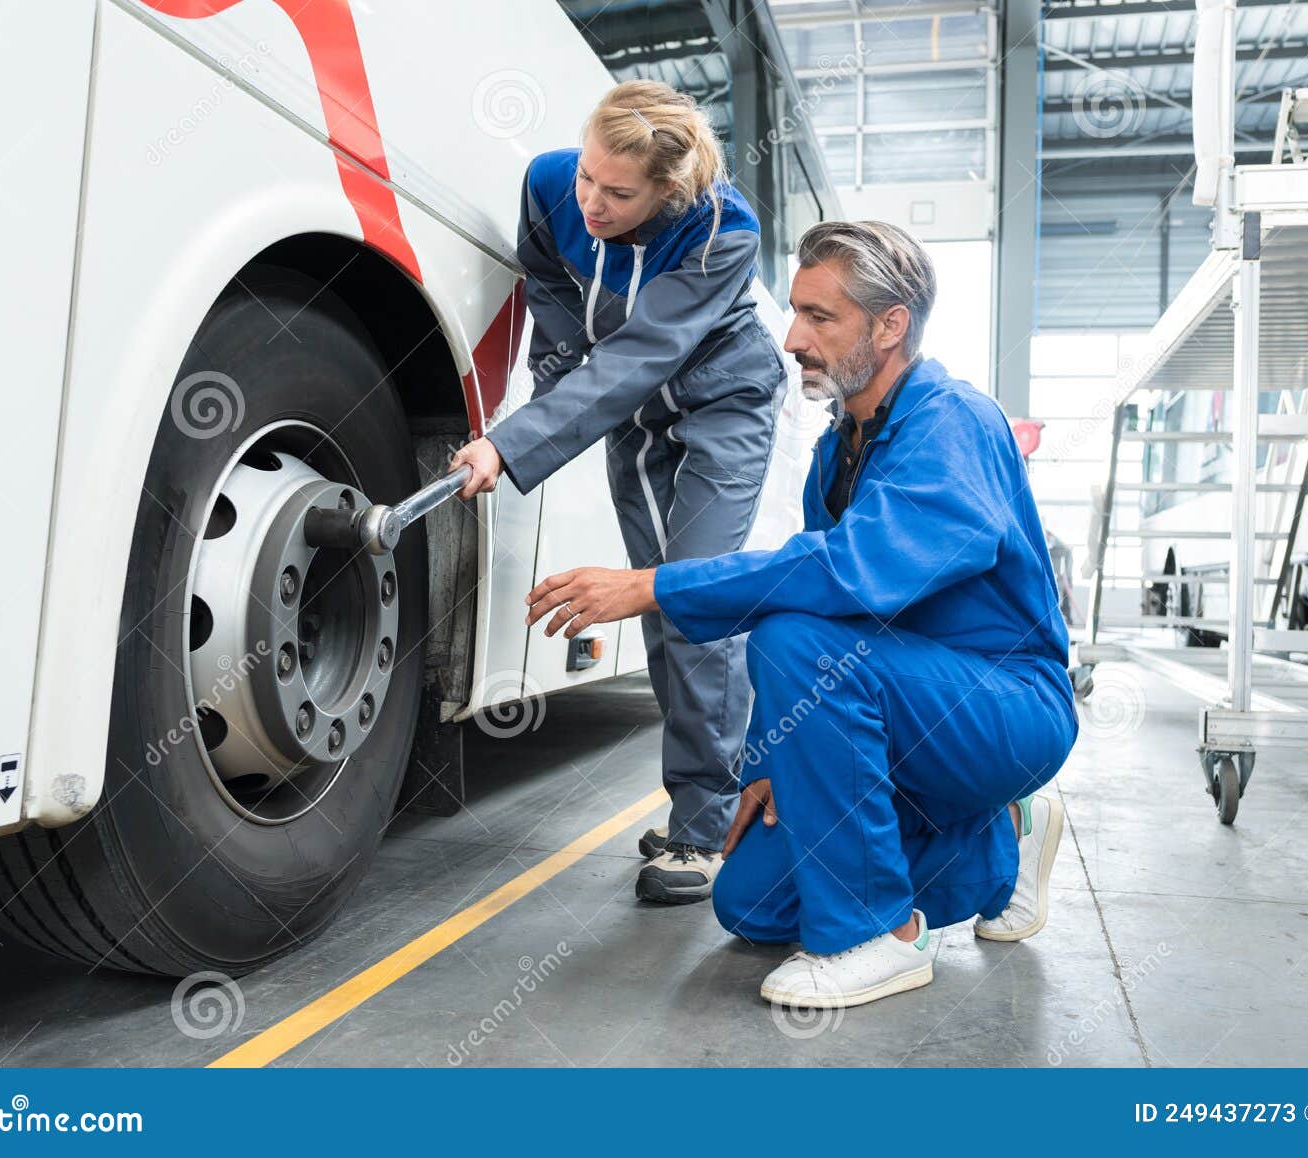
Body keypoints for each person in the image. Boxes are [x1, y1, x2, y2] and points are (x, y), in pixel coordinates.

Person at [522, 220, 1078, 1009]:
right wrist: (769, 761)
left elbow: (854, 573)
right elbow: (811, 591)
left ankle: (874, 935)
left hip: (1004, 707)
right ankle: (998, 846)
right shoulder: (838, 449)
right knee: (751, 904)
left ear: (891, 327)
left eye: (821, 317)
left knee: (795, 642)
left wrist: (658, 585)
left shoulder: (953, 419)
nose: (792, 339)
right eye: (795, 312)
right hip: (904, 710)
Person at [449, 79, 788, 904]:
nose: (592, 203)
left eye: (619, 193)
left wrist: (514, 439)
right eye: (588, 181)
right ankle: (701, 807)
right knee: (664, 614)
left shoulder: (723, 228)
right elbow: (554, 290)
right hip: (637, 420)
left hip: (719, 402)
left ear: (666, 192)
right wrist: (555, 371)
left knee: (694, 601)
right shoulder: (546, 183)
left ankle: (706, 835)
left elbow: (643, 353)